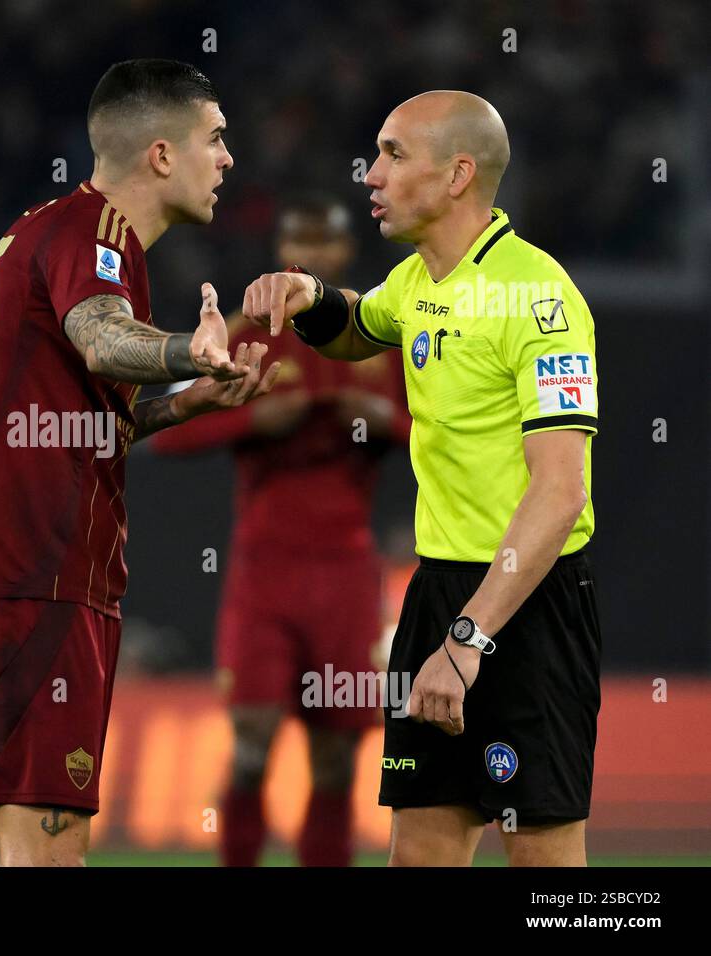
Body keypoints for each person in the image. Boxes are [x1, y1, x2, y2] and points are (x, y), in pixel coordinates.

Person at [0, 59, 282, 867]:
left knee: (16, 851)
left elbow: (65, 421)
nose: (229, 159)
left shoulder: (47, 228)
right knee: (51, 857)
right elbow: (100, 334)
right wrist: (179, 353)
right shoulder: (99, 237)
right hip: (35, 580)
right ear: (161, 155)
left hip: (0, 572)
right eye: (216, 139)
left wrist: (179, 404)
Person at [241, 91, 601, 866]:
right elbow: (357, 325)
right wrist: (305, 296)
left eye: (394, 155)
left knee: (546, 874)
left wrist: (470, 640)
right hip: (437, 595)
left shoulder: (540, 300)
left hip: (525, 607)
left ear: (458, 175)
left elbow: (561, 491)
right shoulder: (415, 282)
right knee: (419, 857)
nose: (371, 175)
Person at [153, 196, 409, 866]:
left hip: (347, 573)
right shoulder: (246, 332)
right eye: (302, 240)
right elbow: (171, 431)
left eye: (326, 243)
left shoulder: (379, 331)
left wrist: (379, 419)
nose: (314, 254)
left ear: (346, 254)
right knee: (249, 744)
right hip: (265, 570)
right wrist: (251, 421)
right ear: (282, 250)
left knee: (337, 758)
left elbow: (438, 429)